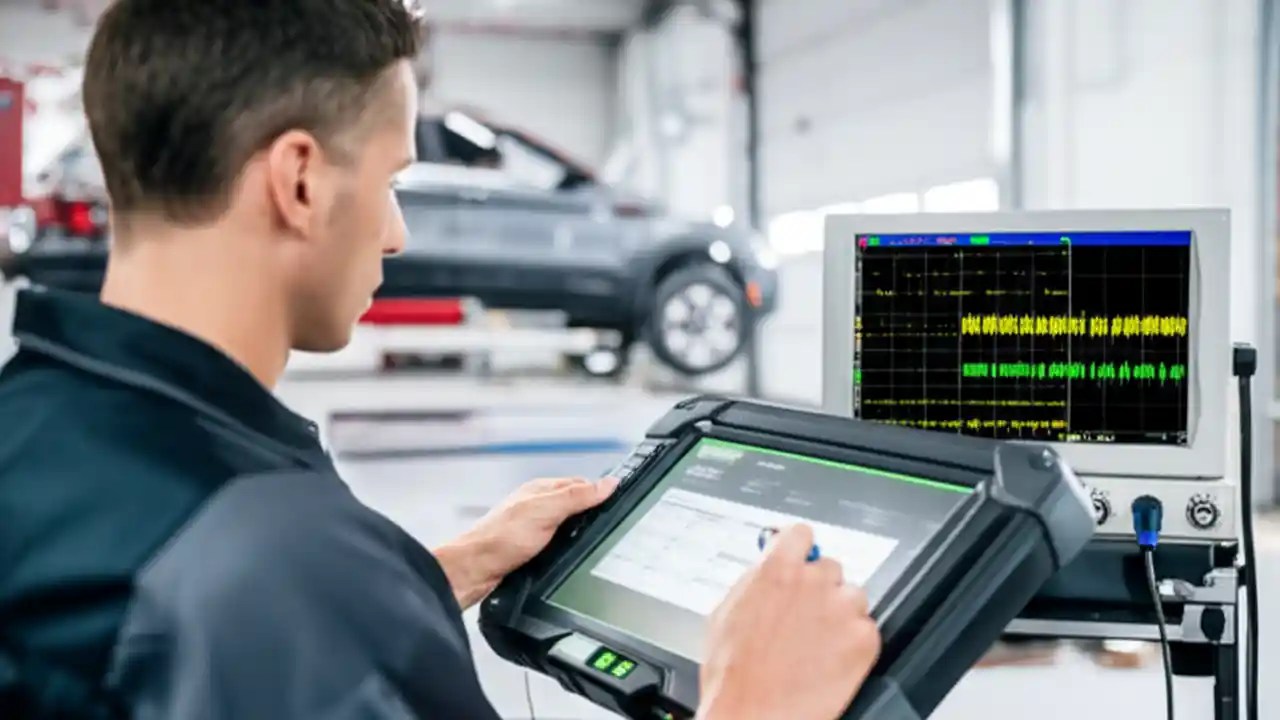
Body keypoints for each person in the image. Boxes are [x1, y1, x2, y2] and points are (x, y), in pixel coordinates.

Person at [0, 1, 881, 718]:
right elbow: (268, 606)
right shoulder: (273, 558)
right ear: (300, 180)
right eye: (390, 180)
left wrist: (442, 568)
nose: (397, 233)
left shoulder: (38, 425)